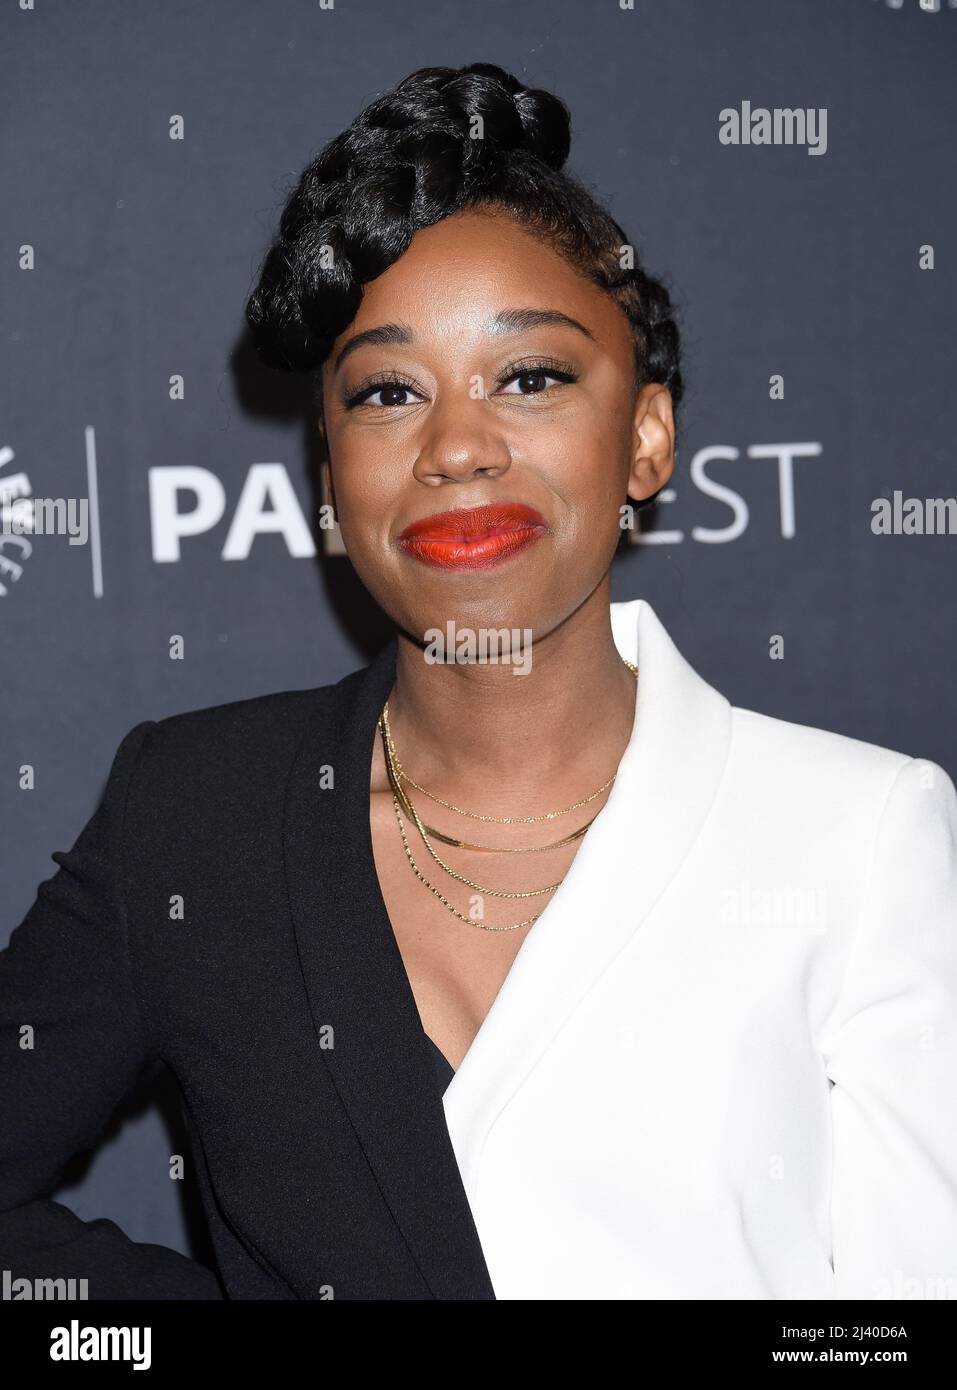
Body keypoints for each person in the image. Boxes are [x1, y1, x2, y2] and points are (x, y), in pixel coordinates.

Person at [2, 61, 956, 1302]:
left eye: (532, 377)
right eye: (389, 392)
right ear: (331, 472)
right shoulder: (193, 819)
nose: (457, 446)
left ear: (647, 437)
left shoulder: (861, 834)